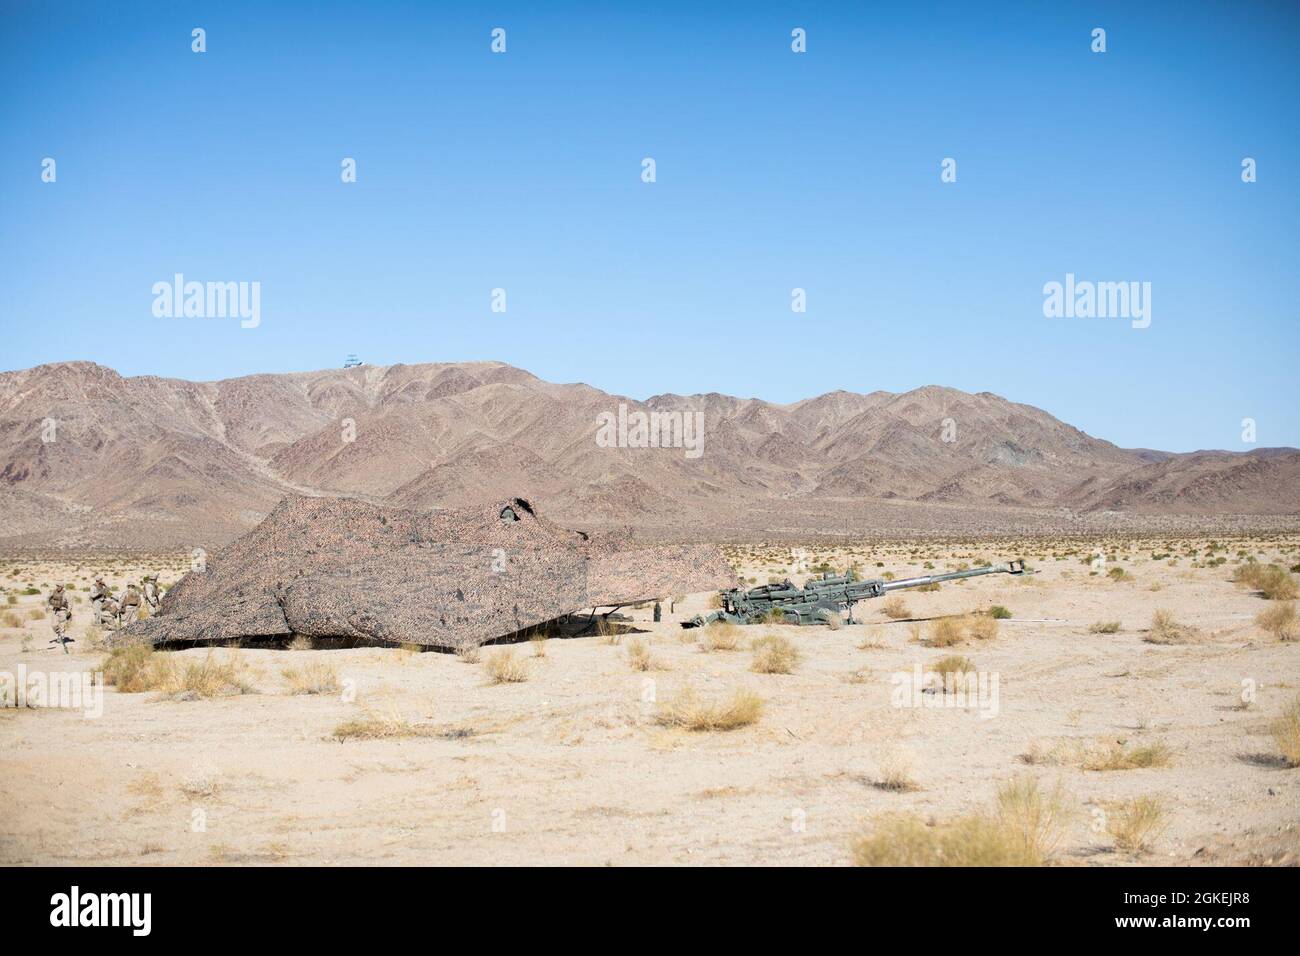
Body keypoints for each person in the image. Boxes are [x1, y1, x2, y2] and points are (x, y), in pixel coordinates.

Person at [47, 584, 72, 652]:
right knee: (53, 625)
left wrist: (69, 611)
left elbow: (70, 603)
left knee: (62, 625)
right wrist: (48, 606)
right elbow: (49, 599)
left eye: (59, 586)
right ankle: (59, 634)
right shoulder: (54, 592)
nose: (57, 587)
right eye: (57, 586)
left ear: (62, 587)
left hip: (63, 611)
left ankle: (61, 637)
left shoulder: (66, 594)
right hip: (55, 610)